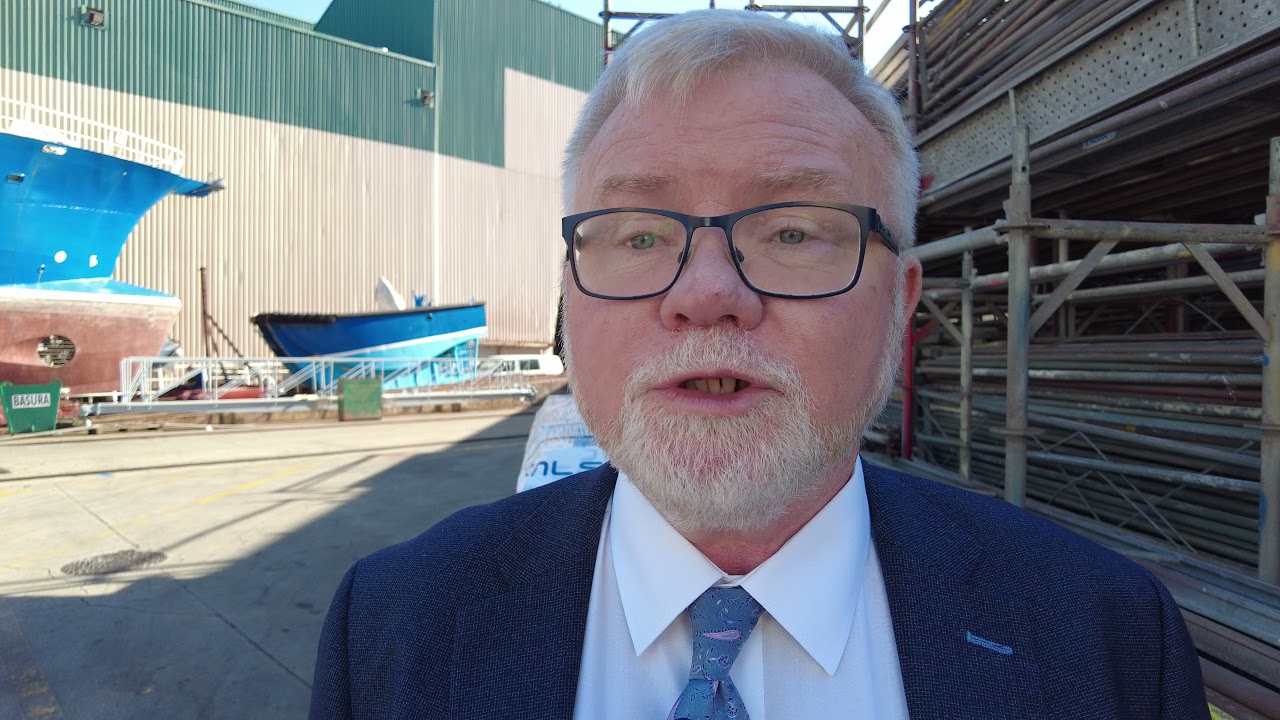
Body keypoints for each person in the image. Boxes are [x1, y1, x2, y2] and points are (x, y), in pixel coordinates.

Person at [309, 9, 1209, 720]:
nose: (705, 294)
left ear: (899, 307)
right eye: (637, 235)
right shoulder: (390, 624)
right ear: (571, 298)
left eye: (790, 232)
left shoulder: (1107, 636)